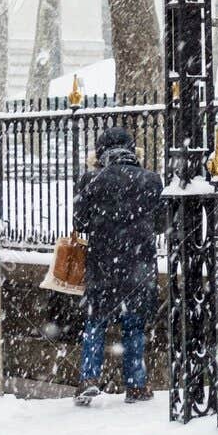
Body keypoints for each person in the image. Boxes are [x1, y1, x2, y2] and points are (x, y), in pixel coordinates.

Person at [72, 126, 162, 405]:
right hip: (139, 266)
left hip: (103, 266)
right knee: (134, 325)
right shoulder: (152, 180)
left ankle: (89, 379)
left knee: (95, 323)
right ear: (132, 150)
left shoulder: (91, 180)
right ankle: (136, 384)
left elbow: (80, 223)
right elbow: (163, 224)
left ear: (101, 153)